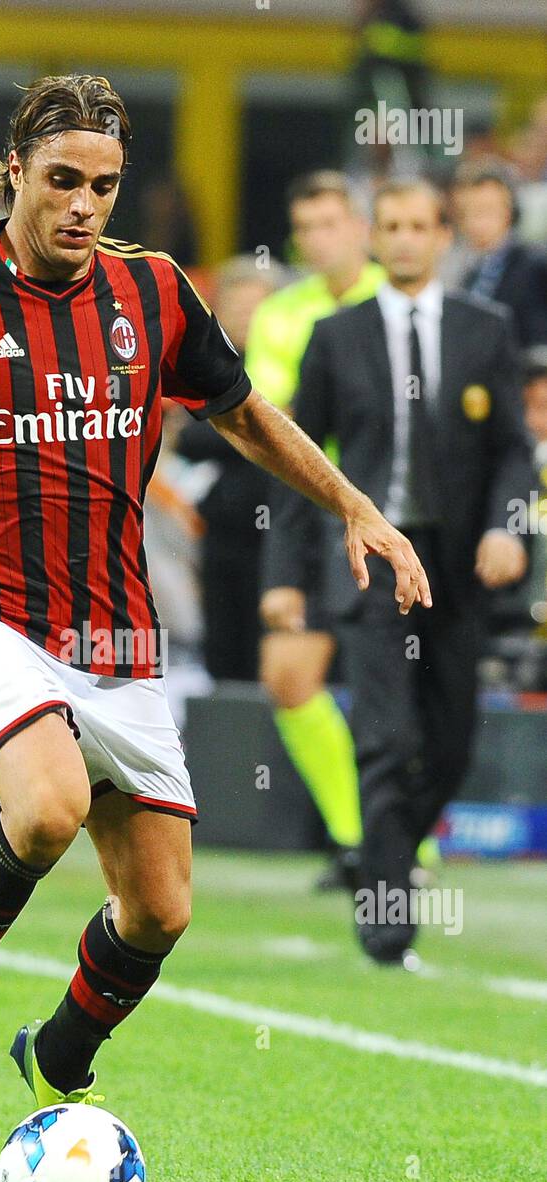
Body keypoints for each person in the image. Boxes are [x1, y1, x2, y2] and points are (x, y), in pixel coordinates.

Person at [0, 75, 429, 1129]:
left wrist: (353, 504)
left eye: (104, 185)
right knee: (48, 804)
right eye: (61, 180)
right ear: (14, 172)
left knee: (160, 909)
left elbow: (242, 411)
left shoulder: (155, 291)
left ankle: (57, 1054)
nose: (83, 204)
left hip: (112, 626)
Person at [263, 179, 531, 964]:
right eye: (392, 226)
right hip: (371, 562)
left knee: (450, 746)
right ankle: (386, 921)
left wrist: (507, 526)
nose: (406, 239)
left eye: (420, 225)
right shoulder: (335, 336)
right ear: (374, 237)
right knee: (387, 738)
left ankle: (386, 852)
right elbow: (297, 463)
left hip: (457, 566)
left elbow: (515, 451)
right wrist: (284, 576)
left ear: (445, 236)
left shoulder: (487, 330)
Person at [247, 171, 386, 887]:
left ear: (361, 228)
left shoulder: (396, 301)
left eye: (331, 224)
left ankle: (403, 848)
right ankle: (355, 838)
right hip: (308, 506)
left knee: (391, 681)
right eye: (306, 229)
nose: (318, 240)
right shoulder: (281, 315)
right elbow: (273, 424)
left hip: (390, 506)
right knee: (288, 674)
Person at [175, 255, 286, 681]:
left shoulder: (292, 360)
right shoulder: (207, 363)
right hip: (223, 531)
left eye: (255, 307)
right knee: (223, 650)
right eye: (234, 306)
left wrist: (226, 432)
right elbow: (185, 437)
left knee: (271, 646)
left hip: (281, 532)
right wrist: (252, 432)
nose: (244, 317)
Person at [455, 161, 547, 349]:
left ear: (509, 211)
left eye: (485, 211)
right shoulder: (469, 274)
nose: (475, 223)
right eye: (467, 212)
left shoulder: (535, 265)